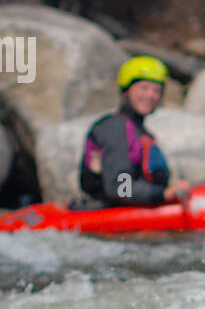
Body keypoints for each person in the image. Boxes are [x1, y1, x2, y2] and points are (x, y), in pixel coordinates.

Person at [78, 55, 191, 207]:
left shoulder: (142, 132)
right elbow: (120, 188)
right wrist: (163, 194)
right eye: (144, 88)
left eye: (156, 90)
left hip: (135, 209)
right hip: (109, 214)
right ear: (126, 91)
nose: (150, 95)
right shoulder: (116, 128)